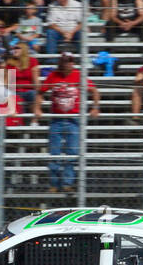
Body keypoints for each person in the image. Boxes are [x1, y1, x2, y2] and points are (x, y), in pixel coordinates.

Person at [36, 53, 100, 194]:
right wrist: (37, 108)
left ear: (72, 63)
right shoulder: (53, 76)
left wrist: (95, 107)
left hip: (73, 119)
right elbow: (40, 92)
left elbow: (94, 90)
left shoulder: (78, 75)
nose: (67, 64)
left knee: (72, 152)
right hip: (57, 119)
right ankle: (54, 184)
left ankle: (67, 184)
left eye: (69, 62)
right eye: (64, 62)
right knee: (55, 153)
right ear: (60, 63)